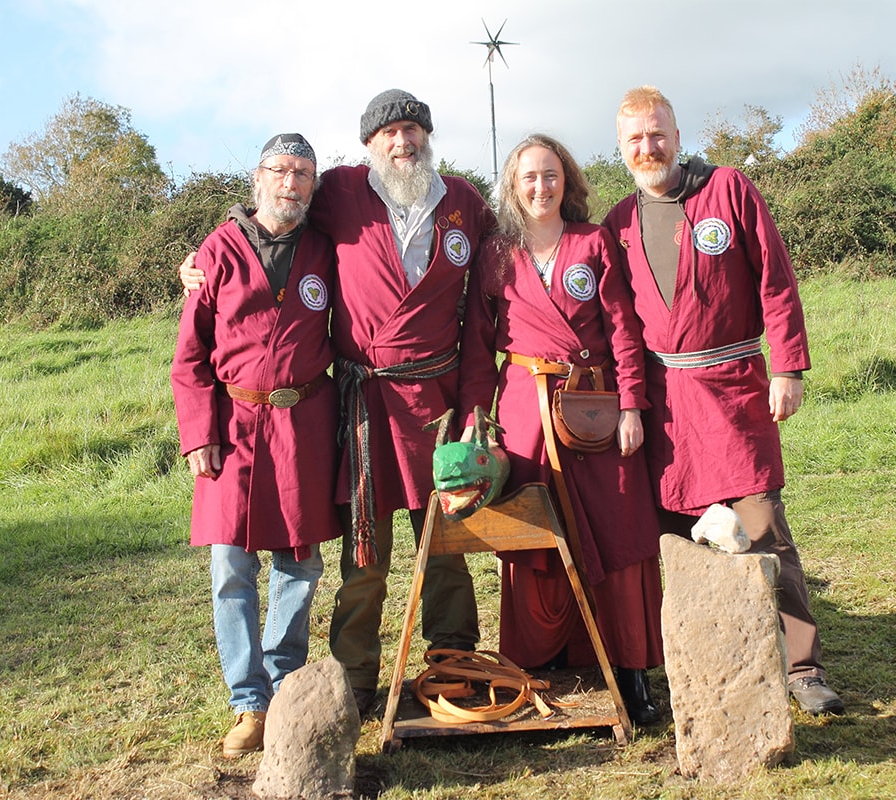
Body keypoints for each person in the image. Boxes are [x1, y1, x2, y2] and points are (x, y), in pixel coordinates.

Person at [181, 90, 495, 715]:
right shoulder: (343, 192)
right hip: (366, 405)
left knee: (446, 539)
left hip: (438, 401)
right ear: (369, 147)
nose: (401, 143)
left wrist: (476, 403)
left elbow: (489, 296)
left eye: (412, 131)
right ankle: (354, 677)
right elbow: (270, 212)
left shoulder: (464, 202)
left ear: (427, 137)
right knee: (364, 552)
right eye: (388, 134)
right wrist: (203, 260)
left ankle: (453, 659)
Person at [603, 86, 845, 715]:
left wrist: (787, 365)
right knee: (675, 536)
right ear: (621, 148)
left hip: (735, 387)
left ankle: (802, 664)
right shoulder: (617, 224)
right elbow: (618, 323)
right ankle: (700, 661)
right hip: (664, 403)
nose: (648, 147)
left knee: (762, 526)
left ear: (678, 136)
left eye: (657, 134)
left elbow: (775, 278)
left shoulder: (729, 190)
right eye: (635, 139)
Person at [459, 134, 664, 725]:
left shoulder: (591, 241)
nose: (540, 187)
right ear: (513, 185)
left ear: (566, 181)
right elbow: (477, 346)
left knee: (620, 531)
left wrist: (631, 405)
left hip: (592, 401)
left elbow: (623, 329)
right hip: (524, 405)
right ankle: (539, 664)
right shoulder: (496, 253)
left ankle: (630, 670)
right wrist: (479, 421)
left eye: (550, 175)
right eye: (529, 177)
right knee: (534, 537)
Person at [171, 133, 341, 758]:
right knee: (230, 569)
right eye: (280, 170)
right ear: (258, 177)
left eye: (302, 173)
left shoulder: (327, 248)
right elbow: (189, 359)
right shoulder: (215, 252)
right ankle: (249, 704)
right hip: (235, 427)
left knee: (300, 561)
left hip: (304, 425)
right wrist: (199, 435)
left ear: (314, 185)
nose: (290, 182)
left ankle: (285, 682)